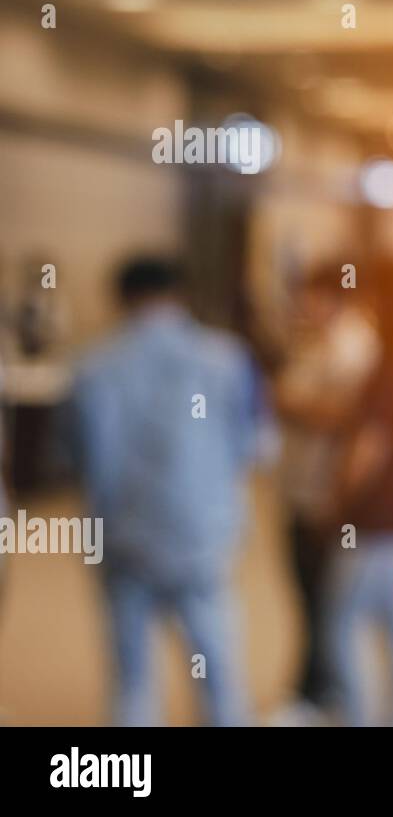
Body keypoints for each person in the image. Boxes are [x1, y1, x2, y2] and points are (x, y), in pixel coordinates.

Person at [70, 257, 261, 726]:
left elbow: (85, 460)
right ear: (180, 294)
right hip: (203, 535)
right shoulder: (228, 358)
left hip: (124, 539)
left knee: (133, 679)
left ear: (122, 299)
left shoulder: (93, 367)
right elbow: (251, 447)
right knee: (217, 670)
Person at [325, 257, 393, 726]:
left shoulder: (386, 368)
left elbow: (370, 448)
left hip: (373, 513)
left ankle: (359, 719)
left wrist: (338, 499)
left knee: (342, 625)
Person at [270, 264, 379, 724]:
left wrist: (294, 404)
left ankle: (317, 694)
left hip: (325, 491)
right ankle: (316, 686)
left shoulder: (355, 345)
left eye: (311, 297)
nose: (303, 307)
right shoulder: (315, 340)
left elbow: (353, 417)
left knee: (324, 598)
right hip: (298, 485)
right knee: (307, 593)